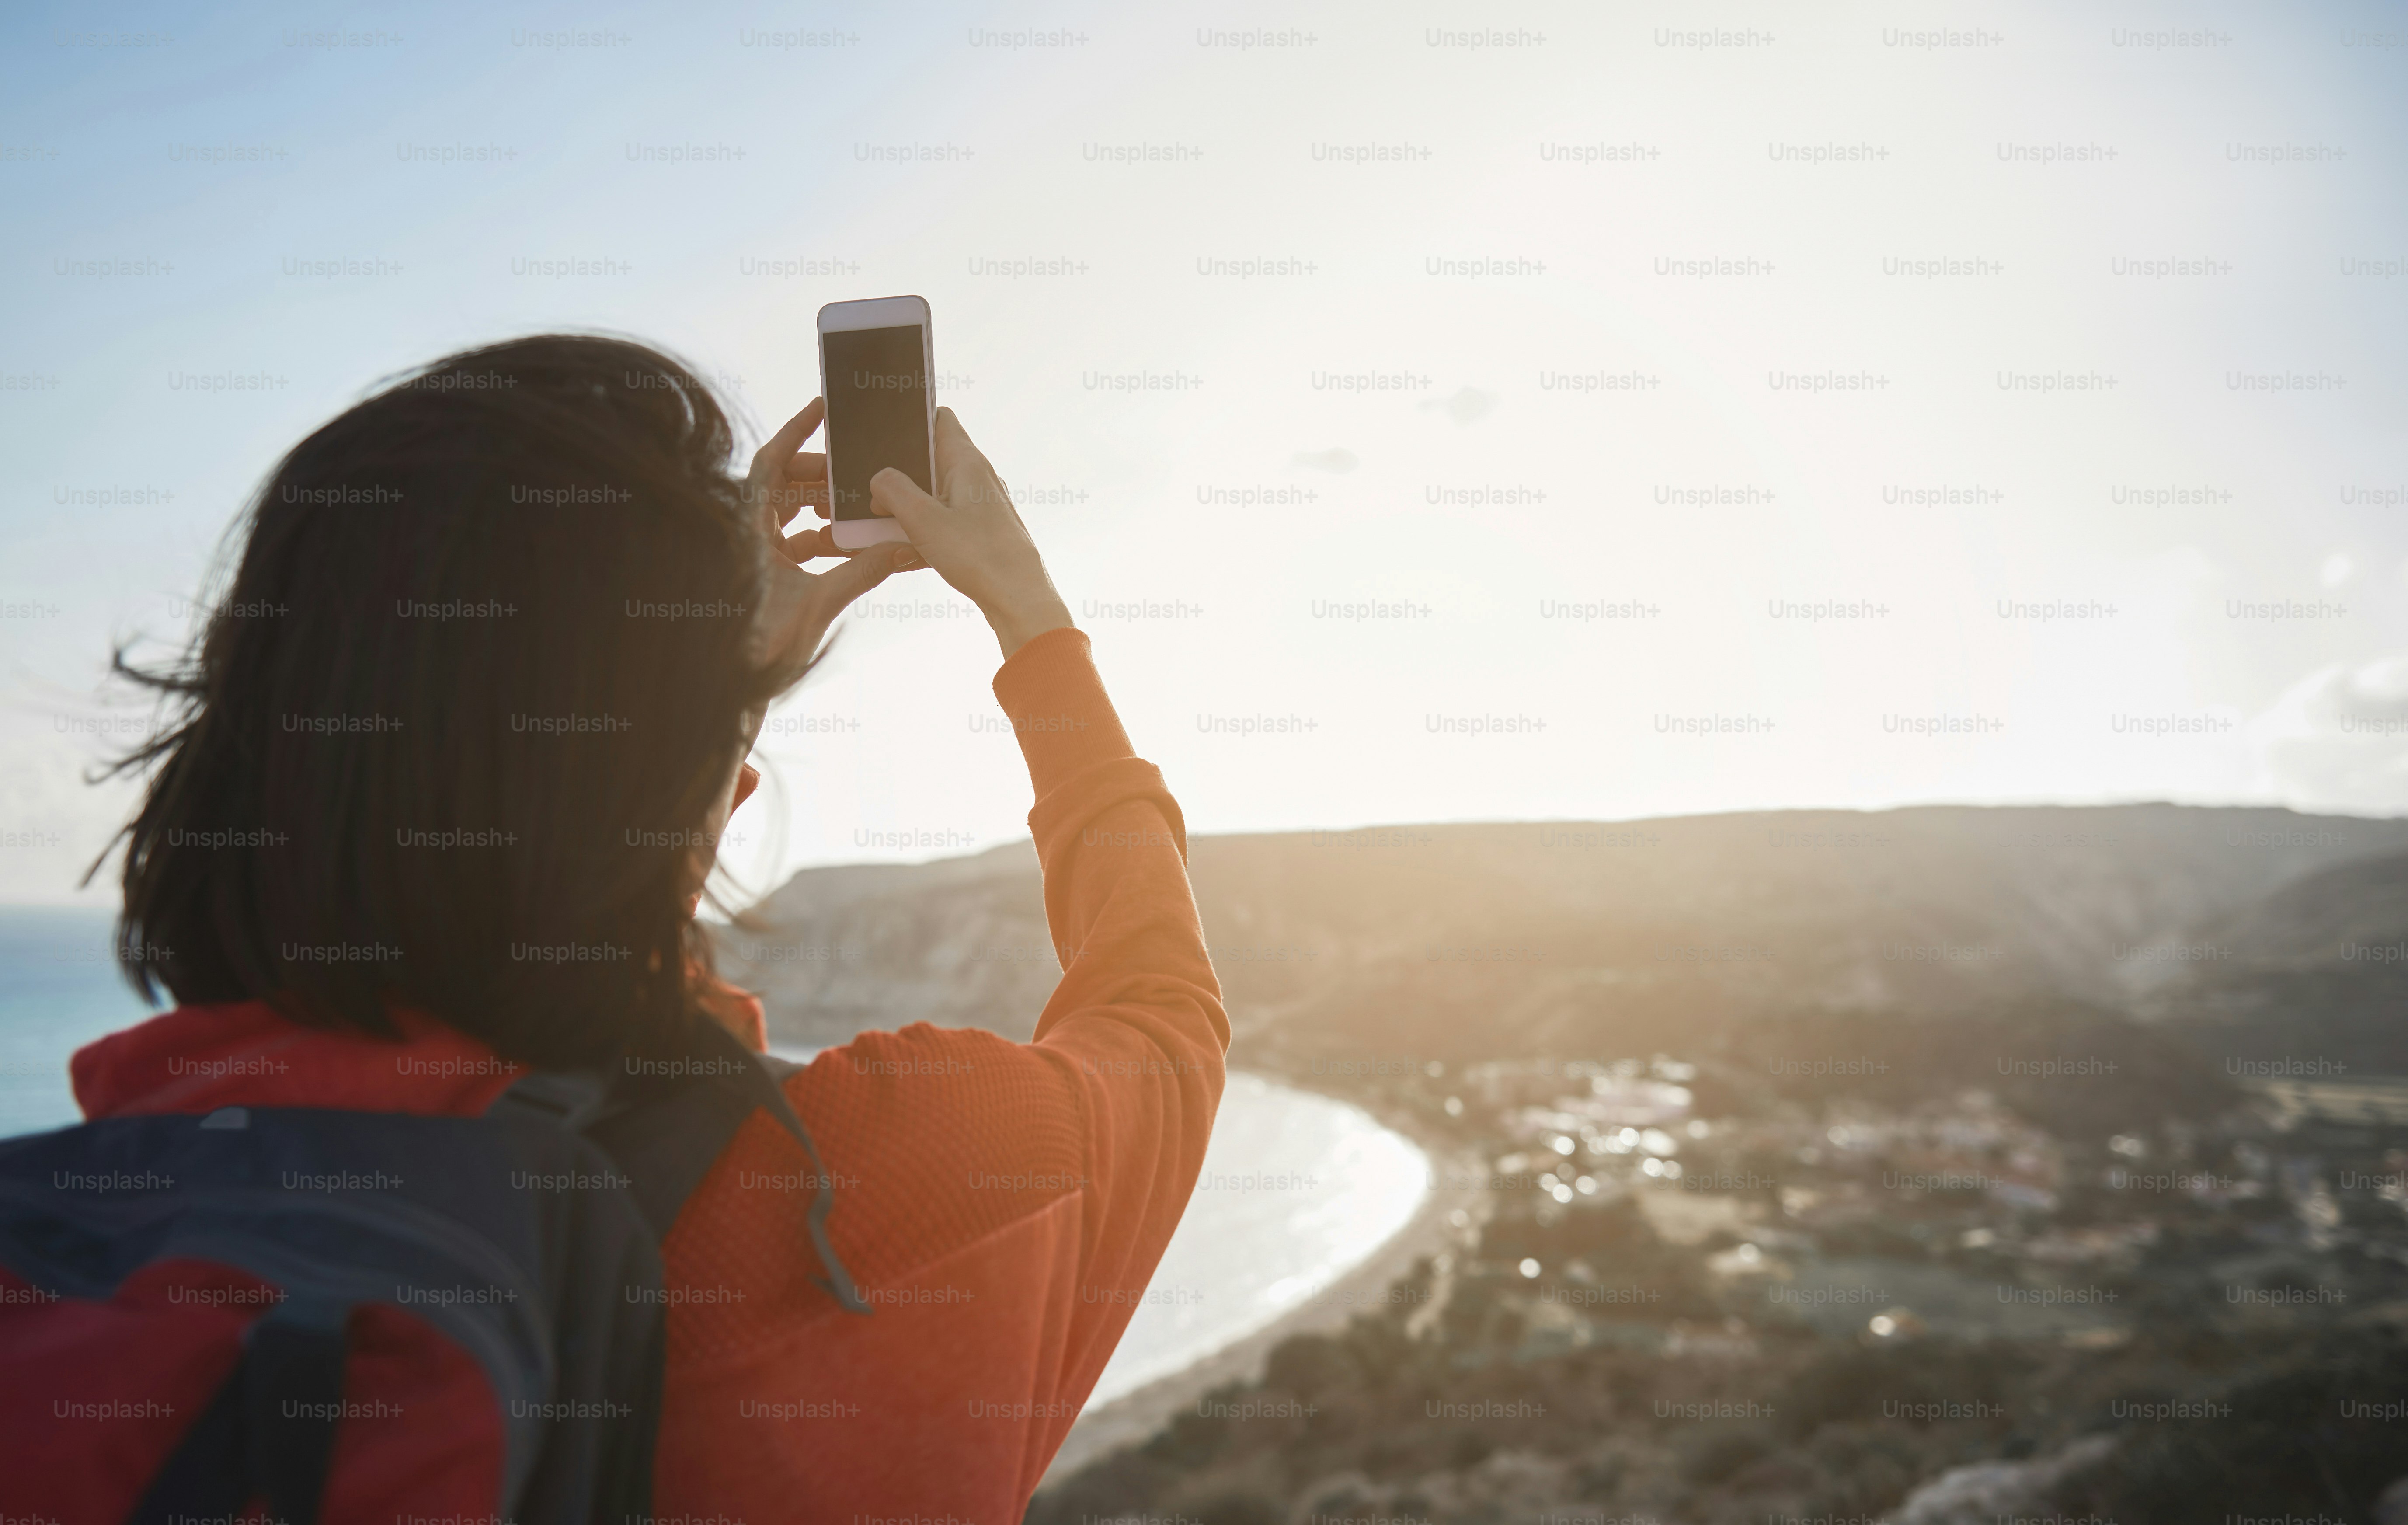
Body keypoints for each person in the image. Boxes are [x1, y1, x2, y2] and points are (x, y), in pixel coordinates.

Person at [11, 335, 1226, 1520]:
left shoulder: (93, 1217)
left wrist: (703, 719)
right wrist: (1030, 621)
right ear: (687, 787)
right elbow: (1161, 1015)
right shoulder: (899, 1187)